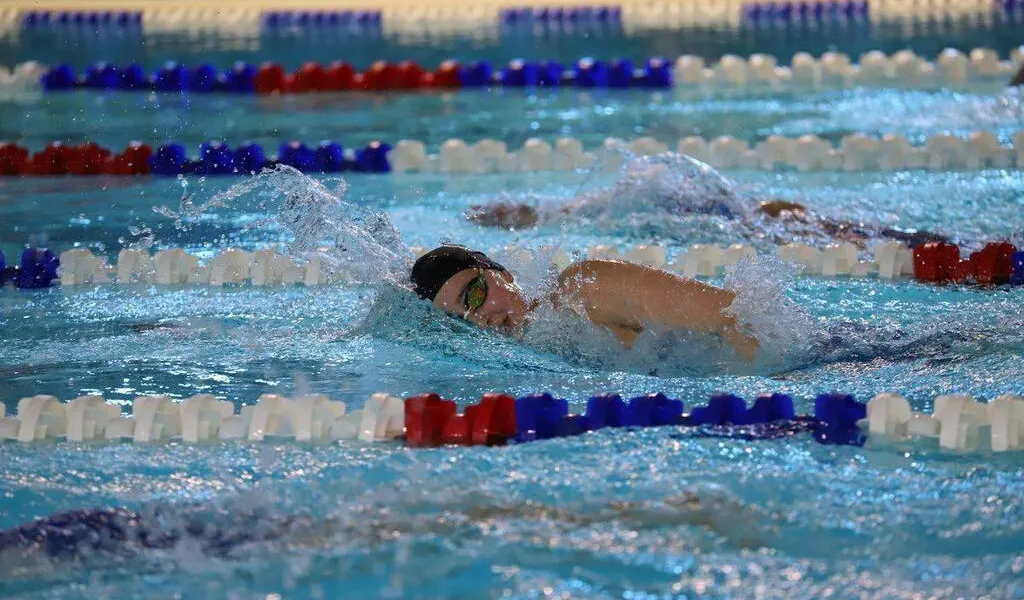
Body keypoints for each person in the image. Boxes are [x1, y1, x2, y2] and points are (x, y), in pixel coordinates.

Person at [410, 245, 761, 361]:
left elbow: (736, 317)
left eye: (474, 295)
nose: (479, 319)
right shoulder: (547, 352)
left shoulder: (583, 290)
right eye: (462, 318)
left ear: (500, 272)